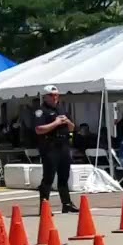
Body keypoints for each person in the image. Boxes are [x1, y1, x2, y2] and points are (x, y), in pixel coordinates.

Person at [34, 86, 79, 215]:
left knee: (64, 176)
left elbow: (72, 128)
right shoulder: (41, 111)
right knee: (48, 177)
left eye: (57, 95)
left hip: (63, 144)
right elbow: (38, 129)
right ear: (45, 97)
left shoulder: (62, 108)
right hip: (50, 146)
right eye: (52, 95)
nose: (55, 97)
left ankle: (67, 203)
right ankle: (44, 206)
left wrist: (67, 121)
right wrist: (56, 123)